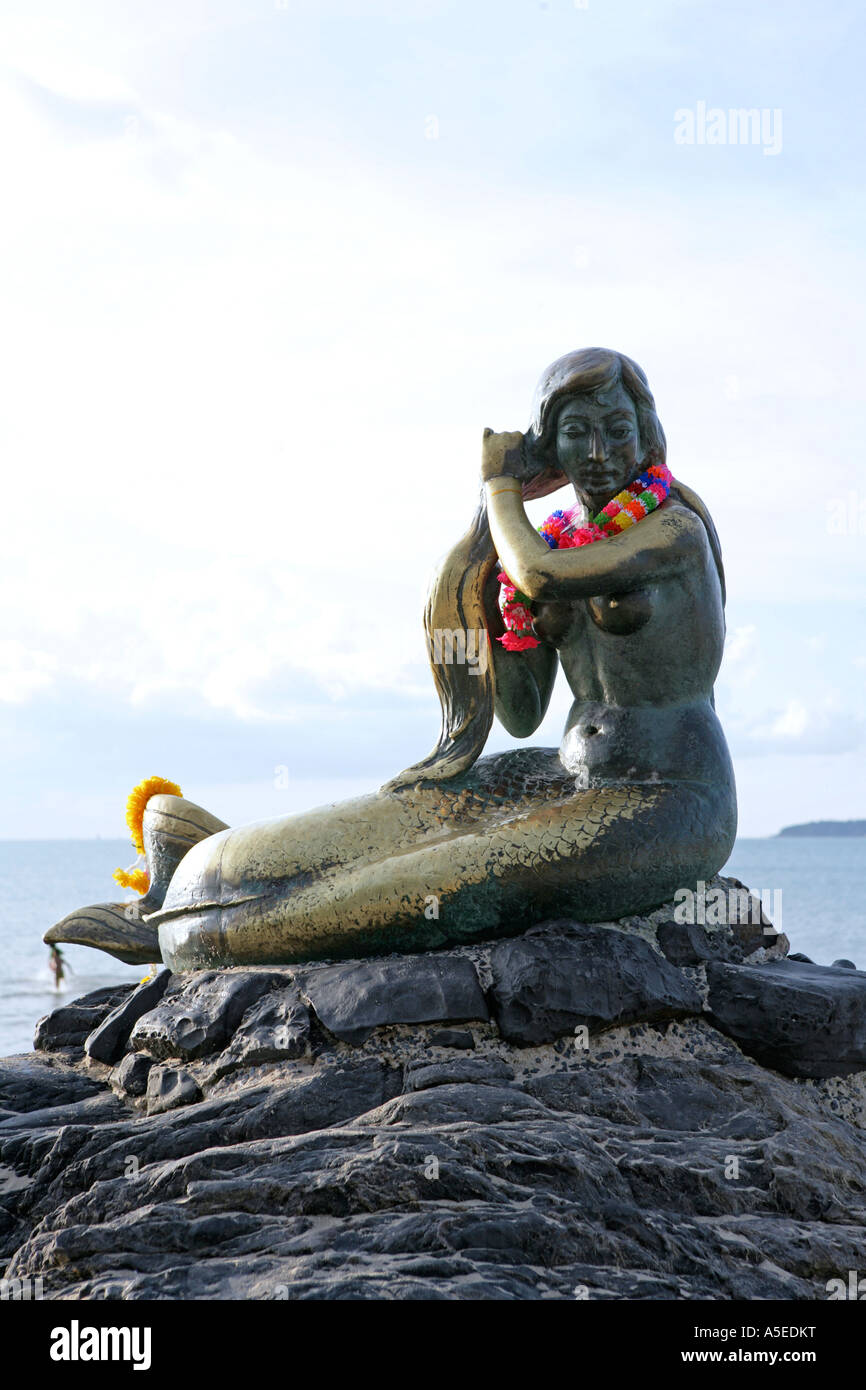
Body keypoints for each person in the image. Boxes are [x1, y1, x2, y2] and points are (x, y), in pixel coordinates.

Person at [47, 347, 737, 970]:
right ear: (551, 446)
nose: (599, 452)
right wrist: (506, 620)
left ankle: (207, 927)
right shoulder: (557, 540)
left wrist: (499, 491)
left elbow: (541, 577)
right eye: (577, 432)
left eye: (617, 430)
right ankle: (208, 874)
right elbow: (524, 715)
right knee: (392, 816)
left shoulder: (671, 529)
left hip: (668, 801)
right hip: (562, 774)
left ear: (646, 435)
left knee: (420, 886)